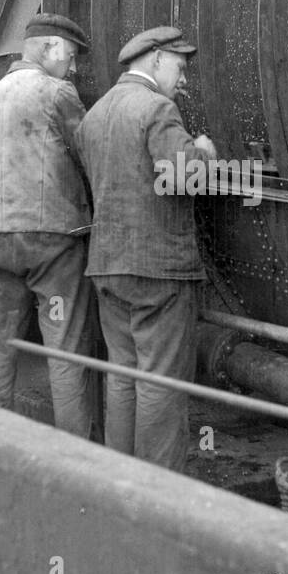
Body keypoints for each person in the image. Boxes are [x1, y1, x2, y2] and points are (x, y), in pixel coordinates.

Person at [76, 26, 217, 471]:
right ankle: (161, 489)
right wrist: (205, 152)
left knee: (123, 376)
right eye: (180, 65)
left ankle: (122, 478)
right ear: (155, 59)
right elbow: (185, 177)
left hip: (106, 265)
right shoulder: (157, 108)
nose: (184, 78)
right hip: (158, 268)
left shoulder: (94, 115)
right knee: (160, 381)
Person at [0, 12, 95, 438]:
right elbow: (89, 157)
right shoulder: (57, 92)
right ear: (48, 48)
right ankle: (77, 462)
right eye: (71, 55)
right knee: (65, 350)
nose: (74, 66)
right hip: (51, 242)